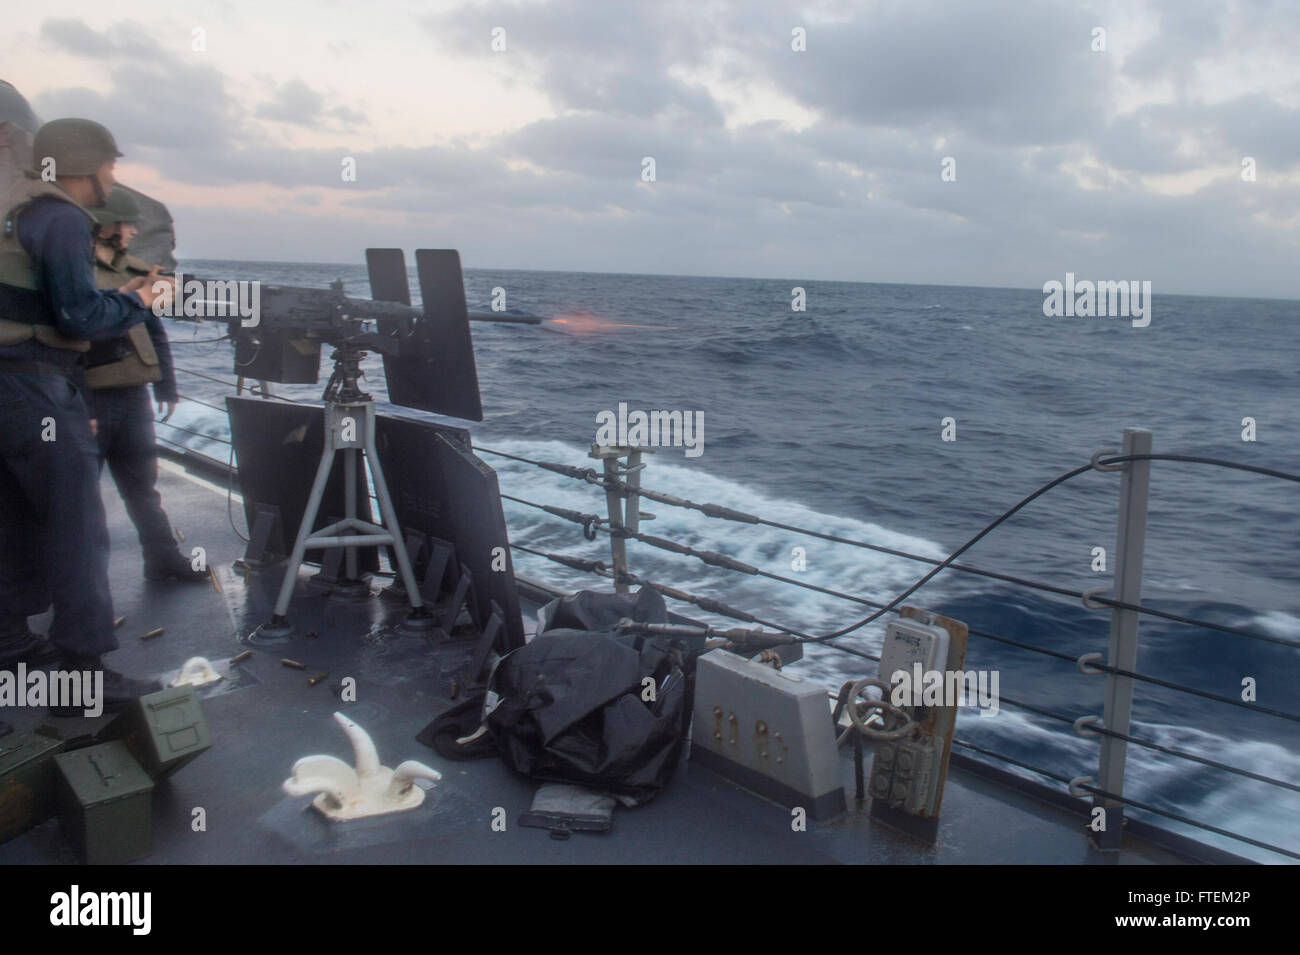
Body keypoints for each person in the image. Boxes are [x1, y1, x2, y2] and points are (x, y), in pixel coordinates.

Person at [0, 117, 171, 706]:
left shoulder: (16, 214)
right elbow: (76, 317)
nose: (111, 176)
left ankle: (13, 649)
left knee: (15, 521)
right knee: (78, 529)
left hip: (12, 387)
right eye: (108, 164)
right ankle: (81, 674)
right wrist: (138, 302)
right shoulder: (62, 218)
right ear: (83, 163)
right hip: (35, 384)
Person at [86, 188, 205, 582]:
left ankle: (163, 560)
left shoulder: (131, 272)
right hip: (91, 396)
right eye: (126, 224)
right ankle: (82, 581)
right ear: (105, 226)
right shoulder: (76, 274)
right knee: (82, 499)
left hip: (133, 395)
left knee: (143, 489)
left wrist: (166, 387)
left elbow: (154, 332)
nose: (133, 231)